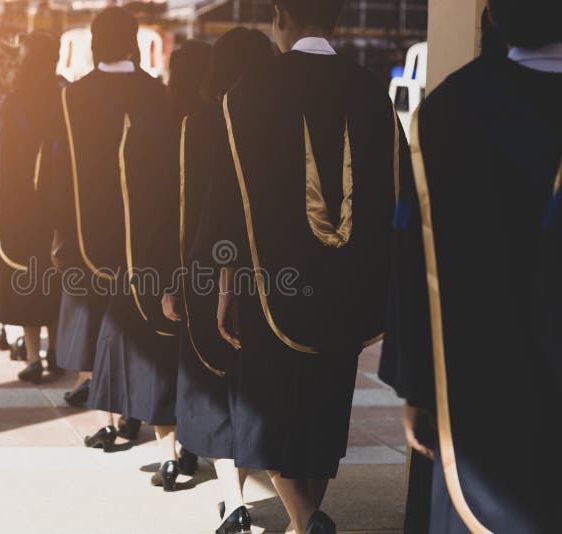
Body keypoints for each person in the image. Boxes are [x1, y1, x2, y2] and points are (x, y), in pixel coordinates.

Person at [204, 0, 407, 531]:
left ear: (279, 17)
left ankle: (308, 520)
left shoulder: (246, 95)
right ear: (335, 19)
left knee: (264, 416)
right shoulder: (371, 92)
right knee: (323, 409)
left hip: (269, 286)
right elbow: (396, 191)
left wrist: (225, 286)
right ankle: (304, 523)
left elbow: (226, 204)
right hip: (348, 286)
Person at [379, 1, 561, 532]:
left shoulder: (448, 111)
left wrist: (415, 383)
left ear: (497, 14)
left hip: (475, 391)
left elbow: (411, 251)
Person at [50, 7, 181, 489]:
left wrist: (61, 234)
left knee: (105, 324)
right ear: (132, 45)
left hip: (93, 234)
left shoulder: (75, 97)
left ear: (92, 46)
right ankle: (152, 426)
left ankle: (111, 422)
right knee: (145, 327)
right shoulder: (159, 94)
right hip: (151, 234)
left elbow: (63, 174)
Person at [162, 27, 274, 534]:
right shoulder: (277, 117)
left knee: (215, 385)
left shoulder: (200, 123)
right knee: (252, 388)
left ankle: (233, 501)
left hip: (207, 269)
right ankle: (239, 495)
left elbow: (180, 209)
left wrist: (173, 278)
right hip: (271, 271)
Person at [0, 32, 62, 384]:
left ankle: (34, 356)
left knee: (25, 276)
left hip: (18, 204)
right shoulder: (65, 99)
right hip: (57, 204)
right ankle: (55, 352)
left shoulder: (9, 104)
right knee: (53, 277)